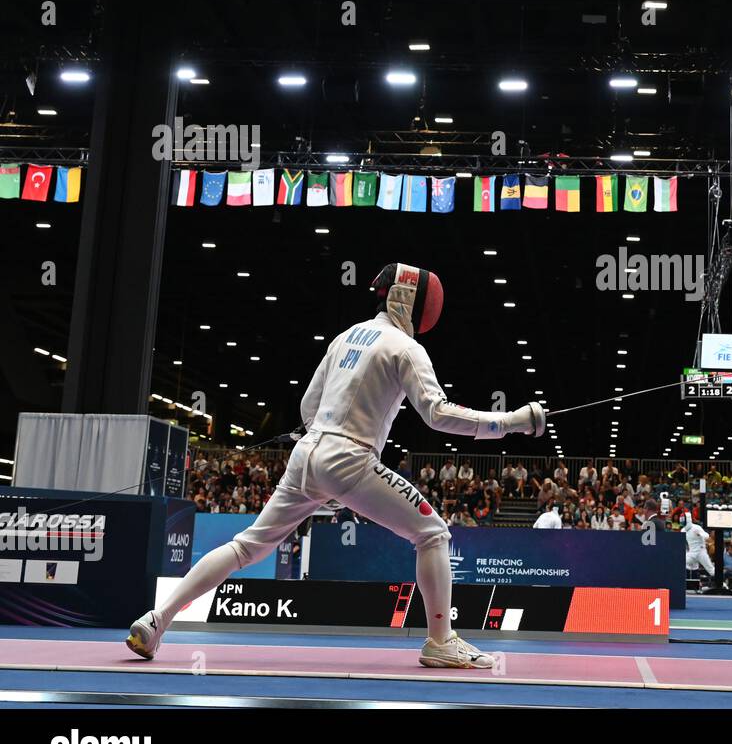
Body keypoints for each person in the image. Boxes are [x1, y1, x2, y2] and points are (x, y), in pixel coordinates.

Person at [126, 263, 545, 670]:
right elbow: (437, 414)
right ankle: (441, 642)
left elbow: (309, 405)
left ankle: (156, 620)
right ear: (414, 304)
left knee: (246, 547)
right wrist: (512, 422)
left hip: (307, 455)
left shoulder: (346, 337)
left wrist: (325, 465)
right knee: (433, 533)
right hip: (349, 458)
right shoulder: (405, 348)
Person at [682, 514, 715, 581]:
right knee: (681, 563)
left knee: (711, 570)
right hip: (692, 553)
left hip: (701, 552)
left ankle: (722, 584)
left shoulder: (696, 527)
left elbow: (707, 536)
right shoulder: (683, 530)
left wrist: (700, 534)